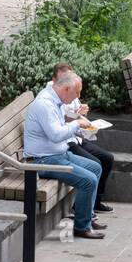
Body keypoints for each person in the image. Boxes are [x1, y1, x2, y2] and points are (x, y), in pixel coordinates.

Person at [23, 70, 105, 239]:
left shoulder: (55, 100)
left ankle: (87, 217)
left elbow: (57, 128)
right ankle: (82, 227)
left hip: (58, 154)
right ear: (66, 89)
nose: (77, 97)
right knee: (88, 180)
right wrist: (77, 124)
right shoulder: (45, 104)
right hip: (43, 160)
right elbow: (55, 135)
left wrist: (77, 119)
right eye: (77, 92)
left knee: (95, 167)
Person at [52, 63, 114, 213]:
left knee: (107, 158)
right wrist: (76, 119)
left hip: (76, 137)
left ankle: (95, 202)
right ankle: (83, 209)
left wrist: (81, 114)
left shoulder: (71, 90)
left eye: (69, 77)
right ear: (55, 80)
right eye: (63, 78)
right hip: (66, 142)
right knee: (95, 164)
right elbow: (59, 126)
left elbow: (70, 117)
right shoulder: (52, 97)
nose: (67, 81)